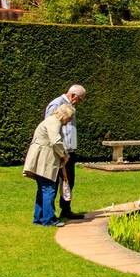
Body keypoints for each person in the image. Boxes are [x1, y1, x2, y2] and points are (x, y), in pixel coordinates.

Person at [24, 103, 74, 227]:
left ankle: (39, 218)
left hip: (40, 158)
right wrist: (64, 155)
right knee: (49, 189)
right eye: (68, 119)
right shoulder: (54, 122)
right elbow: (56, 141)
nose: (67, 122)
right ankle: (49, 219)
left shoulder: (50, 121)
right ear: (64, 115)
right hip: (44, 160)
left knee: (42, 189)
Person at [45, 84, 86, 219]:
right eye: (79, 99)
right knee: (54, 182)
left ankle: (66, 210)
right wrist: (61, 151)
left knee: (69, 181)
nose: (79, 102)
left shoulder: (71, 106)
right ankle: (49, 214)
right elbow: (50, 128)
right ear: (73, 95)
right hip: (59, 151)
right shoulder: (56, 104)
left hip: (70, 151)